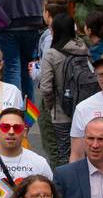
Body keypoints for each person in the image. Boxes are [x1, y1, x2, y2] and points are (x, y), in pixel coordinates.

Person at [38, 11, 89, 166]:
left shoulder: (52, 54)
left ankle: (66, 187)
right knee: (84, 152)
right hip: (84, 109)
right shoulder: (83, 48)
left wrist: (50, 106)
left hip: (61, 113)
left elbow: (46, 87)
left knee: (64, 153)